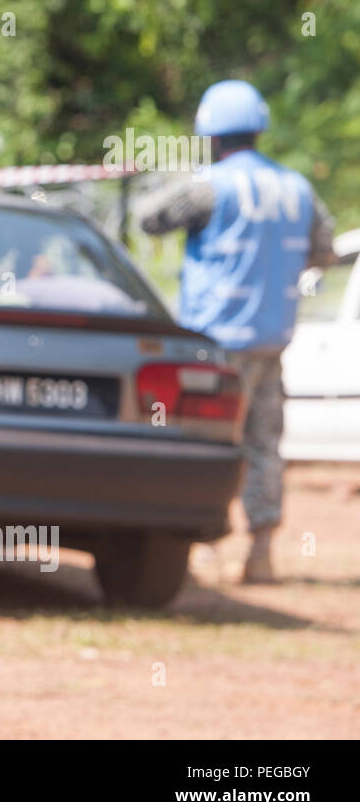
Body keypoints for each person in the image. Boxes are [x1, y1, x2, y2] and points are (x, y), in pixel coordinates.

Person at [137, 79, 336, 584]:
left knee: (208, 443)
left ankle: (204, 549)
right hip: (272, 339)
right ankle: (261, 555)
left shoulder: (210, 186)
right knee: (264, 443)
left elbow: (150, 220)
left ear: (212, 137)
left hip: (215, 347)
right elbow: (325, 250)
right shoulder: (296, 188)